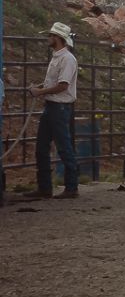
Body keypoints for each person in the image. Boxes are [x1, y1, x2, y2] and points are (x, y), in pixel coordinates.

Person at [27, 22, 81, 199]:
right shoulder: (59, 57)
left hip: (58, 107)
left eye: (51, 35)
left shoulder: (67, 59)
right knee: (43, 147)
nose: (49, 38)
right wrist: (42, 89)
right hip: (54, 107)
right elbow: (57, 83)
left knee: (63, 147)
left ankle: (70, 187)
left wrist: (40, 92)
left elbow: (63, 85)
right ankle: (47, 188)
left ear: (58, 38)